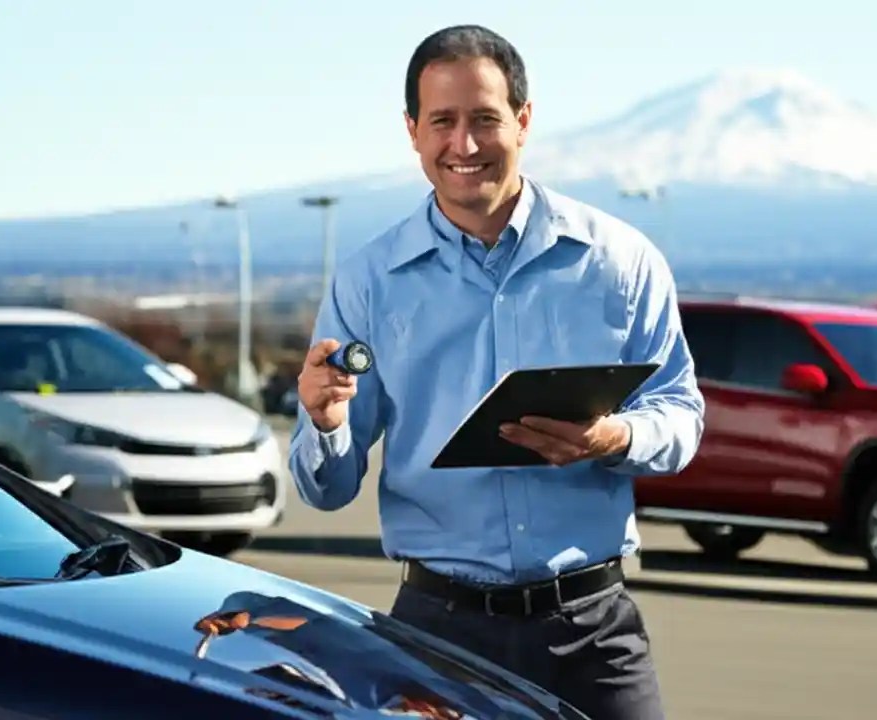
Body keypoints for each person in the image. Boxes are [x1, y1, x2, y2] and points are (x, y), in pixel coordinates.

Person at [289, 24, 704, 720]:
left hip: (591, 629)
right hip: (435, 631)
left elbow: (682, 416)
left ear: (524, 119)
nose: (465, 145)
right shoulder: (368, 281)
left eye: (485, 119)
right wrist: (325, 424)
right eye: (442, 122)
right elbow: (327, 491)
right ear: (413, 131)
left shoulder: (620, 261)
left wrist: (616, 437)